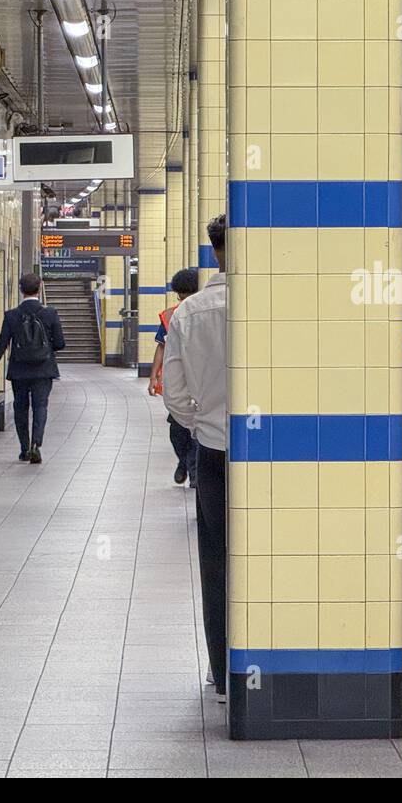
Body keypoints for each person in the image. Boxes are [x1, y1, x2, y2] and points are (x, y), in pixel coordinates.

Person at [162, 215, 227, 702]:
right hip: (276, 461)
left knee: (215, 559)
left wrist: (203, 424)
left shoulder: (190, 313)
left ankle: (224, 673)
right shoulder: (275, 306)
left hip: (214, 453)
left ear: (215, 251)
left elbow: (174, 396)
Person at [0, 273, 65, 464]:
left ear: (20, 290)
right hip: (44, 370)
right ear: (40, 288)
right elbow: (60, 343)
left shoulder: (12, 316)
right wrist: (44, 349)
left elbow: (2, 344)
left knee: (20, 408)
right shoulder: (50, 313)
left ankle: (24, 449)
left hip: (19, 370)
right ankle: (36, 445)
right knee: (40, 406)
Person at [148, 267, 200, 486]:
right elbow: (161, 346)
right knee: (177, 431)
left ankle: (194, 473)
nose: (183, 298)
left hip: (201, 379)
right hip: (179, 380)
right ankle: (185, 462)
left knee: (197, 433)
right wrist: (153, 377)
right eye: (181, 294)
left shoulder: (204, 312)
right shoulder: (170, 315)